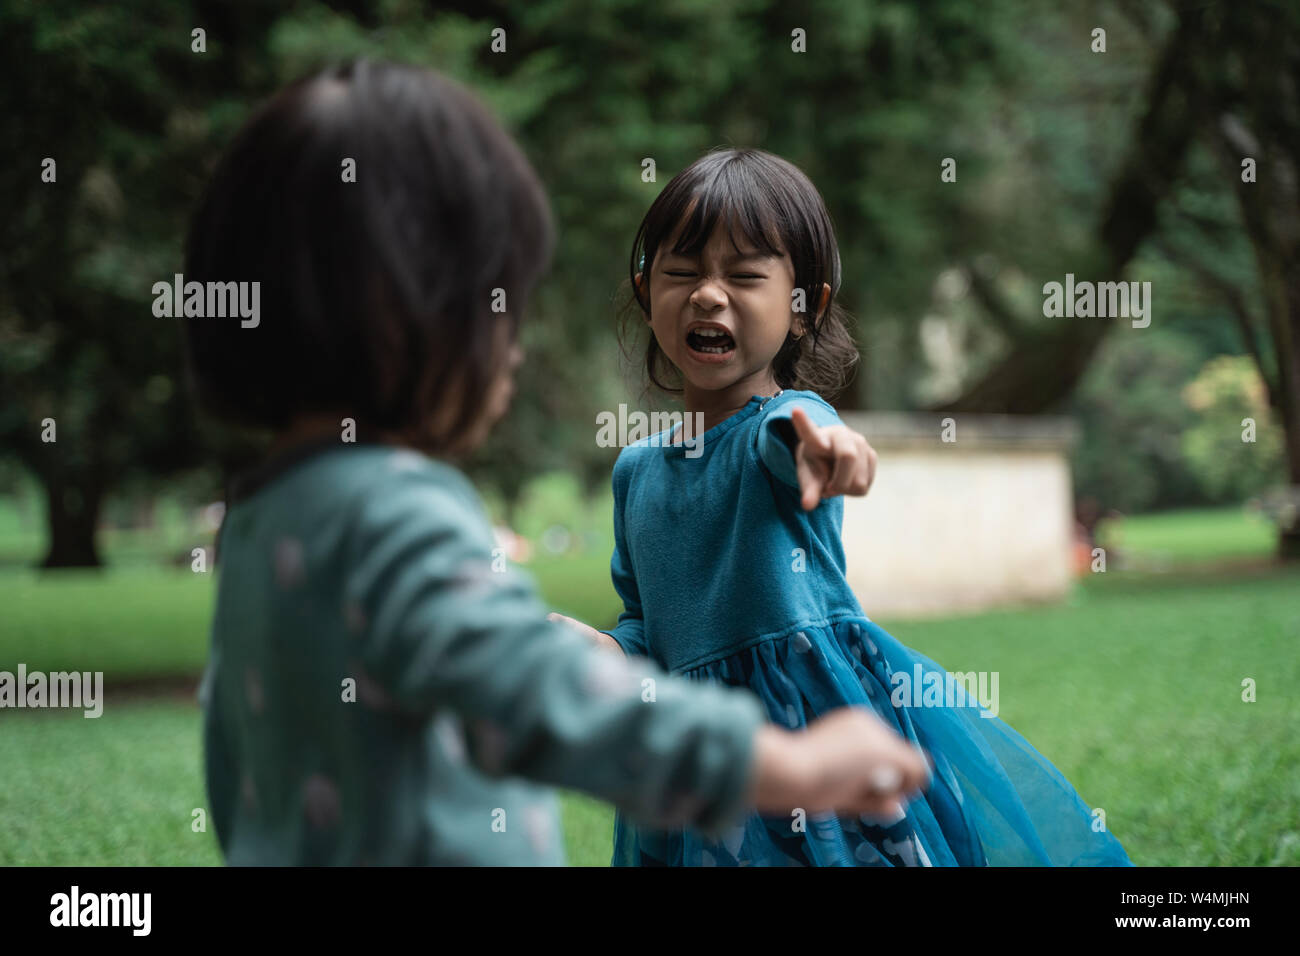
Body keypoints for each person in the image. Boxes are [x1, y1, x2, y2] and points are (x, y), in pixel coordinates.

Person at [180, 61, 930, 866]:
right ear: (413, 315)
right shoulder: (399, 513)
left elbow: (236, 759)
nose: (514, 339)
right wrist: (790, 765)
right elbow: (546, 699)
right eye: (497, 300)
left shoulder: (258, 522)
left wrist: (813, 439)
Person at [553, 147, 1135, 867]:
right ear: (648, 294)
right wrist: (603, 648)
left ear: (805, 307)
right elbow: (647, 629)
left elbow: (797, 437)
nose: (707, 294)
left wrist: (828, 451)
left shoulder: (789, 422)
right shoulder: (636, 472)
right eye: (681, 272)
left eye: (743, 275)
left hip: (815, 738)